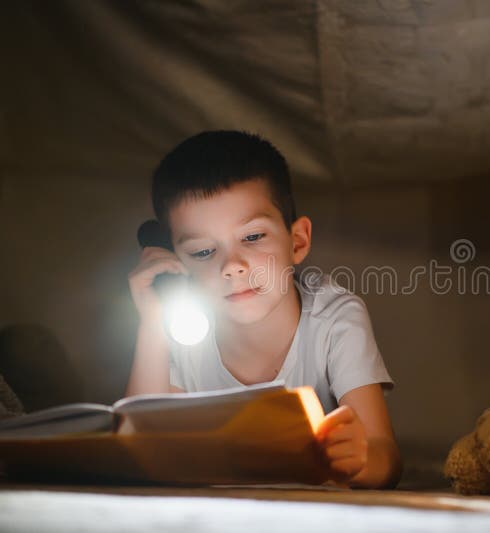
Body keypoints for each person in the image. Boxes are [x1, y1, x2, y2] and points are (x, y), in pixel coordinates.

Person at [126, 130, 401, 489]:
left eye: (253, 237)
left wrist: (361, 458)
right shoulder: (177, 329)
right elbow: (138, 454)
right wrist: (152, 320)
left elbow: (386, 458)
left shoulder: (334, 319)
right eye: (202, 252)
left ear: (298, 241)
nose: (232, 266)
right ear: (175, 262)